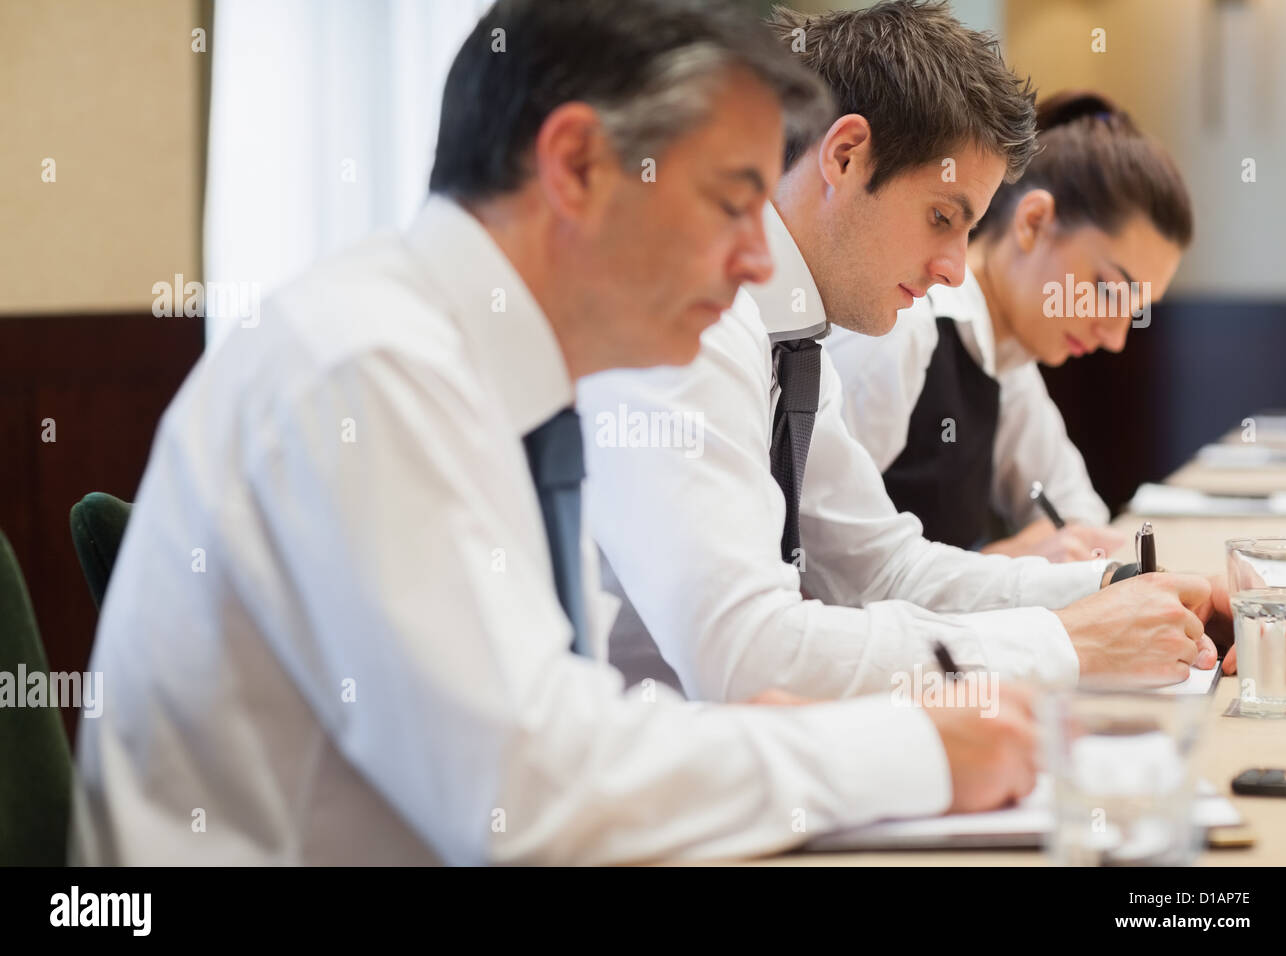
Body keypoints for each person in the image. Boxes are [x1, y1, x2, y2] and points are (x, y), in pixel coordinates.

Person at [73, 0, 1041, 867]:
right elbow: (523, 798)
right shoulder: (368, 365)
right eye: (733, 199)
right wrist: (900, 750)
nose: (758, 257)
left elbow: (551, 728)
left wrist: (758, 740)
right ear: (576, 166)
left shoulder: (498, 373)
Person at [578, 1, 1227, 703]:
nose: (955, 269)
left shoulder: (796, 335)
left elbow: (882, 571)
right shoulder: (697, 317)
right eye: (942, 217)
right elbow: (743, 655)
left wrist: (1112, 587)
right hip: (651, 768)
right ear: (846, 155)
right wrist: (1067, 642)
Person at [826, 91, 1189, 562]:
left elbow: (1078, 515)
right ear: (1033, 223)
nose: (1116, 338)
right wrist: (1014, 558)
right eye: (1108, 290)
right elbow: (827, 568)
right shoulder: (903, 325)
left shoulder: (1006, 357)